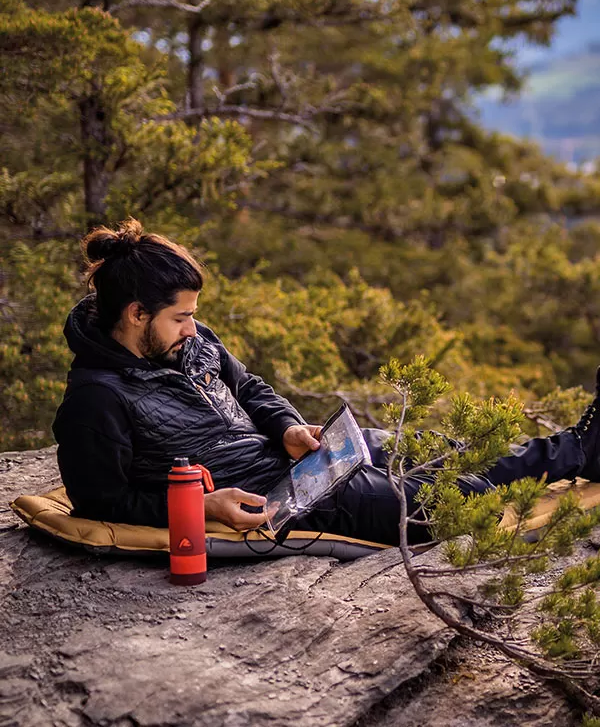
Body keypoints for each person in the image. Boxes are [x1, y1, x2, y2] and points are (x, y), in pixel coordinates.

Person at [52, 219, 600, 547]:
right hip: (281, 499)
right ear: (136, 314)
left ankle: (579, 449)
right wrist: (203, 508)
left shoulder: (188, 341)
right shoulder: (96, 399)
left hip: (299, 459)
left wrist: (289, 427)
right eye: (181, 317)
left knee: (443, 452)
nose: (193, 328)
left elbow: (252, 389)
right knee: (458, 496)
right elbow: (101, 501)